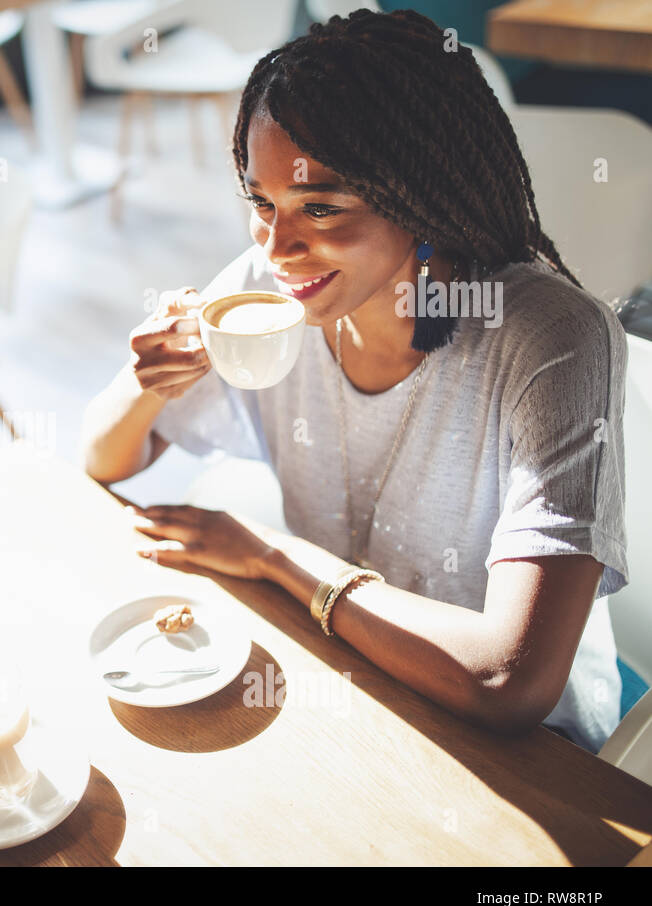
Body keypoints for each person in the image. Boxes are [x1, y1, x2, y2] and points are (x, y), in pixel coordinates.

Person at [81, 10, 627, 753]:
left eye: (321, 208)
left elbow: (510, 683)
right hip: (347, 676)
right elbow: (104, 460)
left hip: (526, 753)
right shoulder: (269, 299)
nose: (278, 246)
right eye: (261, 203)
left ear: (421, 198)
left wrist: (276, 557)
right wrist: (147, 381)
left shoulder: (550, 341)